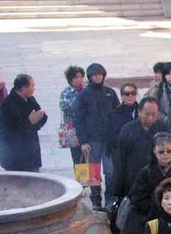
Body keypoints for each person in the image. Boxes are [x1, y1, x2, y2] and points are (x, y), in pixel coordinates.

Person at [74, 63, 120, 209]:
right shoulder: (83, 95)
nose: (98, 77)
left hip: (109, 140)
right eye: (95, 75)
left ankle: (110, 199)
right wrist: (83, 141)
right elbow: (78, 119)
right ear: (90, 77)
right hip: (92, 140)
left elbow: (117, 113)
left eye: (100, 74)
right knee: (93, 173)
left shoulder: (110, 93)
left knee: (110, 172)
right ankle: (96, 200)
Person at [111, 97, 169, 203]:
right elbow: (120, 160)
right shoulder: (128, 129)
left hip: (157, 181)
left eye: (154, 114)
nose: (150, 118)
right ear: (139, 112)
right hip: (133, 181)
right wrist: (117, 189)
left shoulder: (163, 129)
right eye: (147, 114)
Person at [0, 74, 47, 172]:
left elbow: (42, 116)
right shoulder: (8, 103)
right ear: (23, 88)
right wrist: (29, 121)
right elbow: (11, 128)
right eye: (32, 86)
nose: (34, 89)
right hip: (15, 155)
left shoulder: (30, 99)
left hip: (32, 152)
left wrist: (34, 124)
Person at [58, 65, 84, 166]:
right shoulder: (66, 92)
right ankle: (80, 180)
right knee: (77, 158)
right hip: (73, 129)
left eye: (81, 77)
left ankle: (91, 180)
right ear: (70, 80)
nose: (79, 80)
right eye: (76, 77)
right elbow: (64, 106)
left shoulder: (87, 90)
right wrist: (80, 99)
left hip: (87, 129)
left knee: (90, 157)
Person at [107, 82, 139, 160]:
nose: (130, 96)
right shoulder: (115, 113)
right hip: (121, 152)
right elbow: (112, 136)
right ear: (122, 96)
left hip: (140, 151)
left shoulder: (142, 111)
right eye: (127, 93)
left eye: (133, 93)